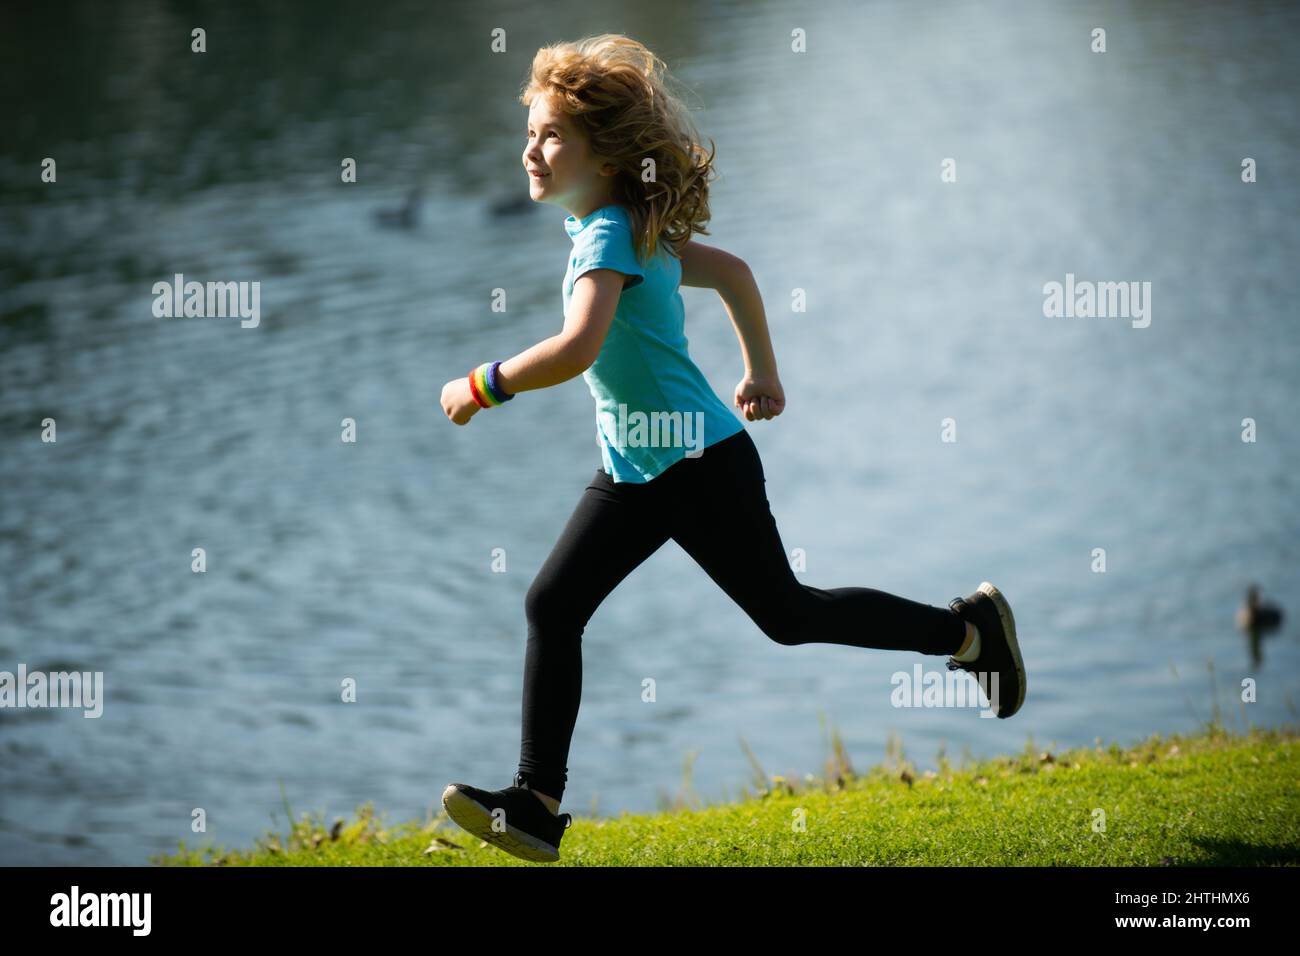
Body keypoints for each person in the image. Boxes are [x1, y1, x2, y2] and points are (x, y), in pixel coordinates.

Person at [438, 34, 1025, 863]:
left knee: (786, 615)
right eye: (530, 132)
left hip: (695, 466)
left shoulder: (609, 236)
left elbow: (576, 348)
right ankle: (535, 803)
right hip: (643, 466)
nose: (531, 150)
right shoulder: (628, 226)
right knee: (559, 606)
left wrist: (482, 382)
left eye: (552, 136)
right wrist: (761, 373)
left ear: (606, 157)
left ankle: (967, 633)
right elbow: (739, 274)